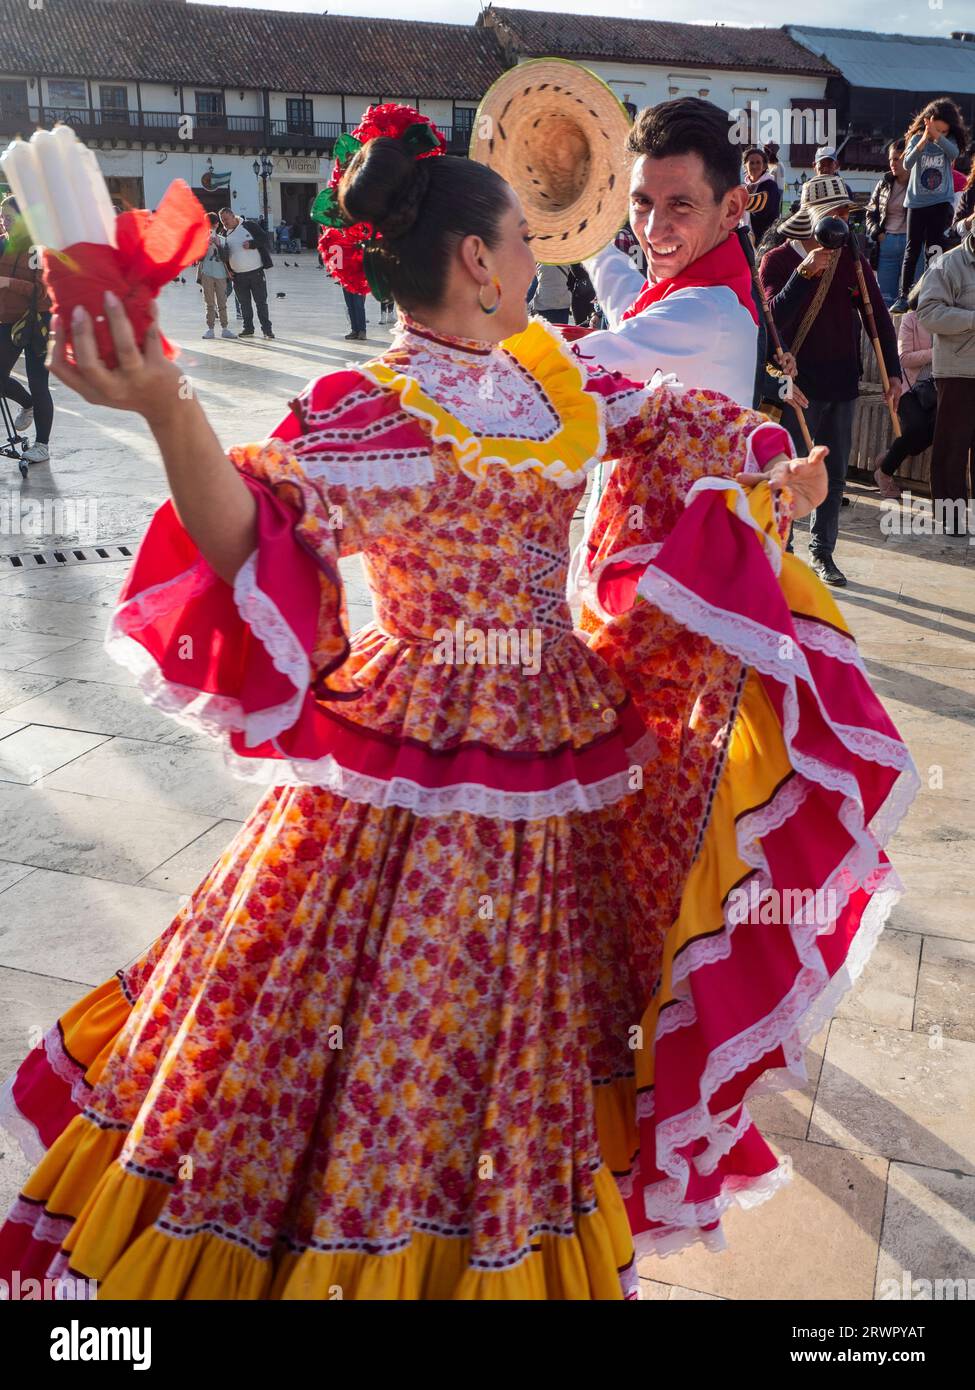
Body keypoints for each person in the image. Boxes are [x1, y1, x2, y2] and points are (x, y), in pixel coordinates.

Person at [0, 105, 915, 1301]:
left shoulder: (552, 370)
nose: (546, 261)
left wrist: (766, 460)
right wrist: (172, 407)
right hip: (421, 750)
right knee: (389, 1023)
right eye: (525, 243)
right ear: (478, 261)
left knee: (520, 1018)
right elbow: (253, 526)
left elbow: (672, 419)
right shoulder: (376, 403)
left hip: (552, 730)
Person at [760, 175, 902, 586]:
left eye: (846, 213)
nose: (844, 221)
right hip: (797, 386)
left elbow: (877, 316)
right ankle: (783, 550)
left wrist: (892, 372)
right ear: (813, 218)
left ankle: (823, 551)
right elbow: (772, 324)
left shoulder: (852, 259)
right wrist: (802, 276)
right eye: (836, 213)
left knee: (835, 473)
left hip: (842, 381)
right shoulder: (779, 261)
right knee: (789, 473)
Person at [916, 223, 975, 535]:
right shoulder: (947, 264)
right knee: (952, 448)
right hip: (958, 370)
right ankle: (951, 519)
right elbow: (927, 312)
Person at [890, 99, 970, 312]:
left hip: (940, 202)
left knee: (934, 249)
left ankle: (931, 291)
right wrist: (925, 139)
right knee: (912, 248)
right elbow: (907, 163)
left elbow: (954, 154)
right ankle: (904, 295)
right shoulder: (917, 138)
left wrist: (939, 138)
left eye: (944, 131)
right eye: (937, 129)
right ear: (928, 122)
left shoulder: (949, 141)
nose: (940, 134)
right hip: (917, 202)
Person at [0, 194, 54, 465]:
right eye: (2, 218)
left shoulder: (36, 249)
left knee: (38, 381)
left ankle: (41, 445)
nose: (4, 222)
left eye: (9, 218)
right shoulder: (2, 244)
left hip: (38, 322)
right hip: (8, 321)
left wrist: (9, 283)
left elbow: (42, 292)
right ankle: (28, 403)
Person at [873, 278, 935, 498]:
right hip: (908, 388)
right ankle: (885, 473)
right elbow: (905, 358)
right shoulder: (911, 319)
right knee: (916, 428)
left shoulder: (946, 319)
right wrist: (937, 354)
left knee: (935, 429)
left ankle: (890, 455)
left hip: (937, 390)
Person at [867, 140, 923, 306]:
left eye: (897, 159)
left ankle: (909, 332)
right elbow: (870, 213)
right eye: (891, 159)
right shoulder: (883, 183)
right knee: (885, 299)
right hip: (888, 242)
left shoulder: (919, 183)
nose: (892, 163)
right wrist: (877, 233)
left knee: (914, 297)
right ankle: (889, 332)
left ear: (907, 158)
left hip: (912, 243)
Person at [219, 207, 275, 340]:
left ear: (233, 216)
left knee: (261, 302)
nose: (225, 222)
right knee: (244, 304)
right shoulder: (223, 234)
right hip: (238, 276)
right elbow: (223, 255)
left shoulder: (249, 226)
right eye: (222, 220)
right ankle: (248, 328)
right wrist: (229, 271)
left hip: (256, 272)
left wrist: (252, 244)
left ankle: (267, 330)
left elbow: (265, 238)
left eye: (226, 219)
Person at [197, 211, 235, 341]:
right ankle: (210, 329)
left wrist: (218, 245)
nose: (210, 228)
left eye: (212, 225)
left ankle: (225, 328)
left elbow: (226, 258)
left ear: (217, 225)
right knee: (209, 302)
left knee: (222, 302)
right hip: (207, 273)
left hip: (220, 274)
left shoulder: (223, 239)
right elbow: (198, 258)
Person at [743, 145, 781, 246]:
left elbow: (762, 212)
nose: (755, 166)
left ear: (764, 166)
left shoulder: (770, 186)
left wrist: (746, 198)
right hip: (746, 240)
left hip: (765, 241)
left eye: (758, 162)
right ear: (745, 166)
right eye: (751, 163)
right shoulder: (744, 188)